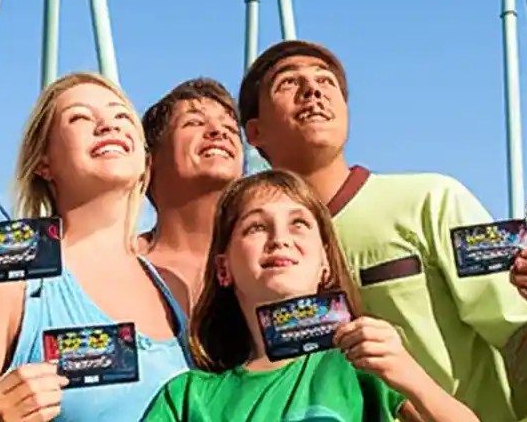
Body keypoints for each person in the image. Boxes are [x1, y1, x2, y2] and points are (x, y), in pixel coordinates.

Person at [237, 40, 527, 421]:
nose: (313, 90)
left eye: (327, 82)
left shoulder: (436, 201)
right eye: (288, 83)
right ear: (255, 132)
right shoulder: (256, 255)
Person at [0, 72, 190, 422]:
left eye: (122, 116)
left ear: (145, 159)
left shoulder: (173, 287)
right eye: (80, 117)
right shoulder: (5, 281)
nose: (108, 126)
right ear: (44, 162)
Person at [141, 169, 479, 421]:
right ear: (223, 268)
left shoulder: (367, 367)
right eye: (256, 227)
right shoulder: (187, 398)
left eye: (299, 224)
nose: (279, 239)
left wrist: (410, 375)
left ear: (325, 265)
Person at [137, 77, 245, 314]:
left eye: (230, 129)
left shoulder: (265, 260)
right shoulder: (119, 266)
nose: (218, 132)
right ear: (150, 160)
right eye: (194, 123)